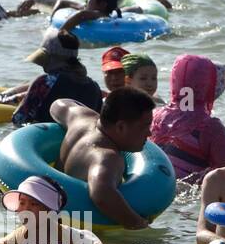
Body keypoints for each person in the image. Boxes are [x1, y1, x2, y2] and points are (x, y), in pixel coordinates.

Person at [51, 90, 156, 229]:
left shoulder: (80, 118)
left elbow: (58, 104)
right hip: (81, 230)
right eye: (145, 126)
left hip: (52, 216)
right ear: (121, 127)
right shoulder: (107, 156)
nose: (150, 133)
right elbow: (102, 193)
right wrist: (138, 224)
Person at [146, 54, 225, 183]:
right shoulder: (210, 127)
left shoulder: (153, 116)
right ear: (208, 88)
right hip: (184, 192)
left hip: (150, 184)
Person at [0, 176, 105, 244]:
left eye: (34, 204)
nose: (25, 210)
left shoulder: (73, 238)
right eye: (22, 203)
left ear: (50, 210)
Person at [8, 30, 105, 126]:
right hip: (76, 139)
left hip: (43, 138)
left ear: (50, 57)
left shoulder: (45, 82)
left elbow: (19, 119)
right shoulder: (95, 87)